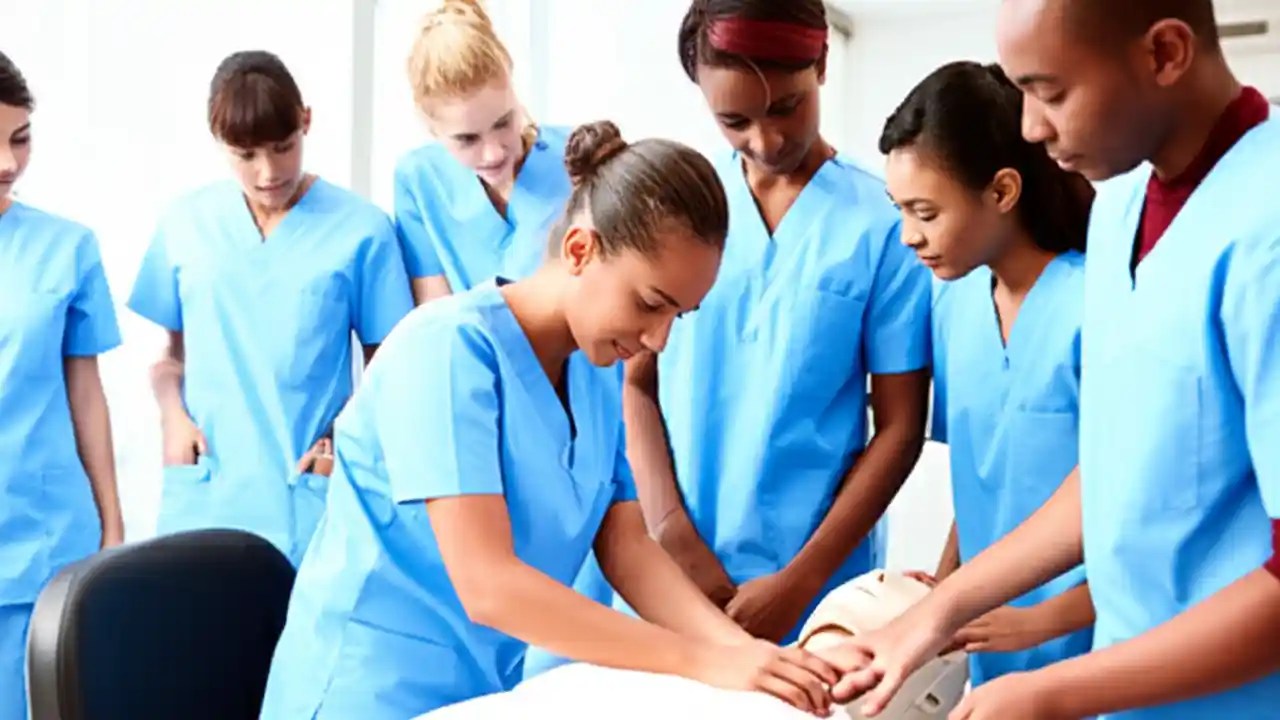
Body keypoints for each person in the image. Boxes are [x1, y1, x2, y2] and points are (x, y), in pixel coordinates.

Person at [259, 121, 841, 720]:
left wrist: (743, 655)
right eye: (649, 304)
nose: (658, 340)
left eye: (678, 316)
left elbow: (626, 544)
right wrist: (699, 661)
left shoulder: (595, 370)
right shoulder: (448, 350)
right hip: (364, 693)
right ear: (580, 250)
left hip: (477, 696)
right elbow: (488, 584)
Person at [823, 2, 1280, 718]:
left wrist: (1053, 689)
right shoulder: (1121, 211)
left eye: (1051, 92)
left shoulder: (1264, 228)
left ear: (1164, 53)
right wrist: (930, 617)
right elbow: (1112, 474)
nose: (1032, 127)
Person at [575, 0, 930, 645]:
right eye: (734, 121)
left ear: (822, 64)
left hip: (808, 588)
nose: (765, 141)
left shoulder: (882, 222)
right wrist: (671, 533)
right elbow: (638, 383)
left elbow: (900, 428)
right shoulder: (680, 203)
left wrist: (799, 581)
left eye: (786, 107)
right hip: (667, 572)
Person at [128, 50, 413, 565]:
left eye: (284, 147)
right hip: (205, 489)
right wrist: (172, 417)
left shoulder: (362, 230)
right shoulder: (186, 223)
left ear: (307, 121)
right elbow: (170, 356)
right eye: (246, 154)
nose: (268, 172)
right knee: (190, 613)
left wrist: (341, 440)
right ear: (219, 142)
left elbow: (390, 369)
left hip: (305, 492)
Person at [879, 60, 1096, 687]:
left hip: (1089, 642)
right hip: (988, 645)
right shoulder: (952, 305)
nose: (908, 236)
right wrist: (945, 586)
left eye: (925, 212)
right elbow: (983, 478)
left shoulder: (1095, 304)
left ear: (1002, 192)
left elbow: (1136, 506)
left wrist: (1042, 621)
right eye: (900, 210)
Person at [0, 51, 125, 720]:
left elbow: (85, 394)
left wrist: (113, 524)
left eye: (20, 138)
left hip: (46, 543)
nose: (7, 162)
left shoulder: (67, 248)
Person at [395, 0, 572, 304]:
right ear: (431, 128)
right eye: (467, 139)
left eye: (503, 122)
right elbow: (437, 317)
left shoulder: (578, 157)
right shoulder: (418, 180)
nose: (493, 153)